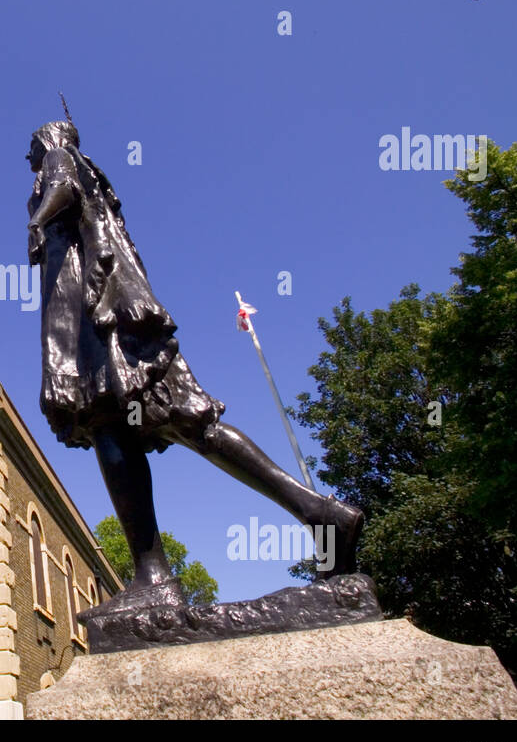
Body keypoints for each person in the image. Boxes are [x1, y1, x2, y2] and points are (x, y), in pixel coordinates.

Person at [26, 119, 363, 612]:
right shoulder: (95, 177)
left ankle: (159, 575)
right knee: (159, 425)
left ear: (50, 139)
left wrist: (37, 220)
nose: (28, 157)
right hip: (107, 314)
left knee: (137, 422)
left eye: (31, 146)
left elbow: (61, 188)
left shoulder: (60, 160)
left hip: (98, 320)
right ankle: (316, 514)